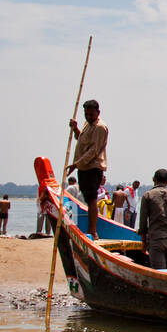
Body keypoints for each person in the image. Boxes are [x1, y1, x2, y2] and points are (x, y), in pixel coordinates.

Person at [68, 99, 108, 239]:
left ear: (98, 112)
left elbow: (94, 151)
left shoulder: (100, 127)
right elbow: (82, 140)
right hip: (84, 167)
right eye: (86, 114)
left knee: (91, 199)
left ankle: (93, 231)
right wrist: (75, 129)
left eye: (91, 114)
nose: (89, 117)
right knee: (87, 197)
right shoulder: (88, 124)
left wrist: (76, 164)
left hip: (92, 167)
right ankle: (90, 229)